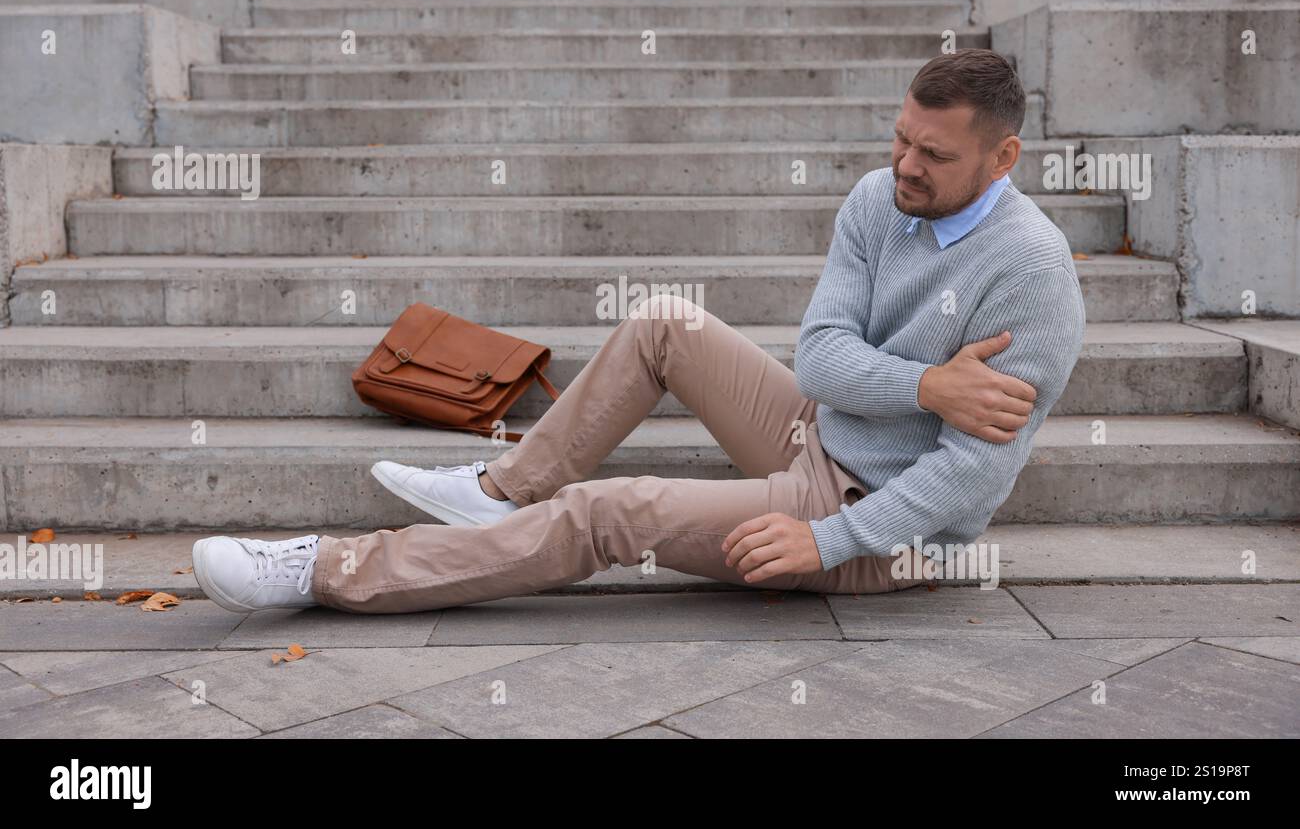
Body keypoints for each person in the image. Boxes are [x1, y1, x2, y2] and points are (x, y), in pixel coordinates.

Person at [191, 48, 1086, 615]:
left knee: (608, 511)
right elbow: (820, 358)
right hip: (815, 430)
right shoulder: (875, 199)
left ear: (1003, 158)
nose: (904, 166)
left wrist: (827, 540)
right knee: (664, 320)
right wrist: (925, 385)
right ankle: (503, 491)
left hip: (874, 524)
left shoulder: (1032, 274)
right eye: (900, 139)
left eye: (934, 155)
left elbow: (968, 480)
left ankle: (325, 570)